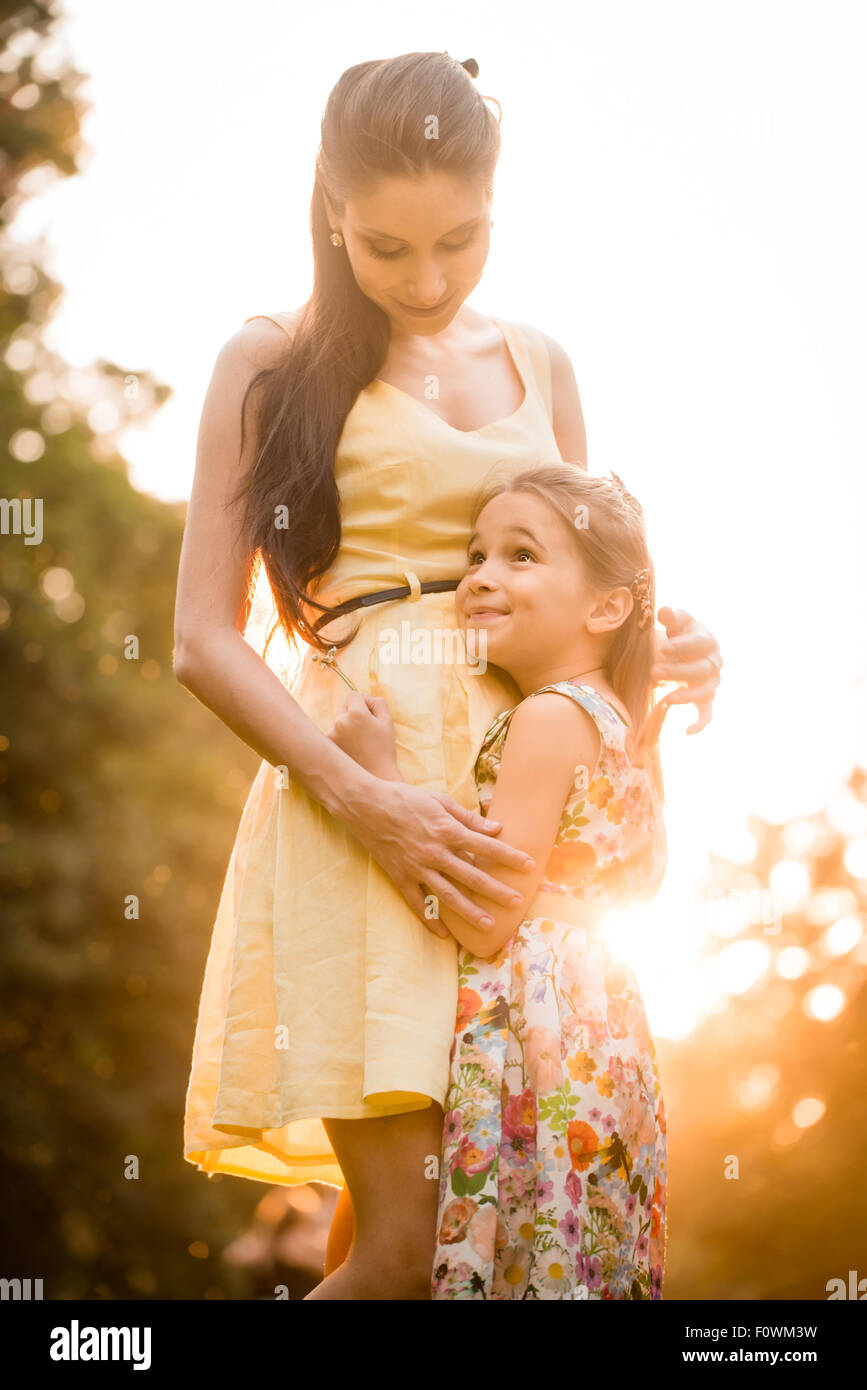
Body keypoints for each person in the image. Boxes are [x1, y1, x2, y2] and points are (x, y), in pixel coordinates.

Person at [175, 51, 722, 1301]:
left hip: (510, 821)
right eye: (386, 249)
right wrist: (365, 797)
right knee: (414, 1239)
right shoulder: (269, 357)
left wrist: (670, 648)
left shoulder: (545, 362)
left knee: (479, 1222)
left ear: (497, 204)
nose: (425, 283)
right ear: (330, 212)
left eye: (458, 243)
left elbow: (592, 585)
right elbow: (203, 638)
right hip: (358, 789)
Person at [325, 464, 670, 1299]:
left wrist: (381, 782)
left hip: (538, 1030)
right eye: (475, 554)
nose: (480, 576)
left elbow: (484, 917)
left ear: (605, 605)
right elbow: (644, 876)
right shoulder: (619, 722)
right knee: (569, 1249)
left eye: (521, 555)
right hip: (607, 1037)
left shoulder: (549, 718)